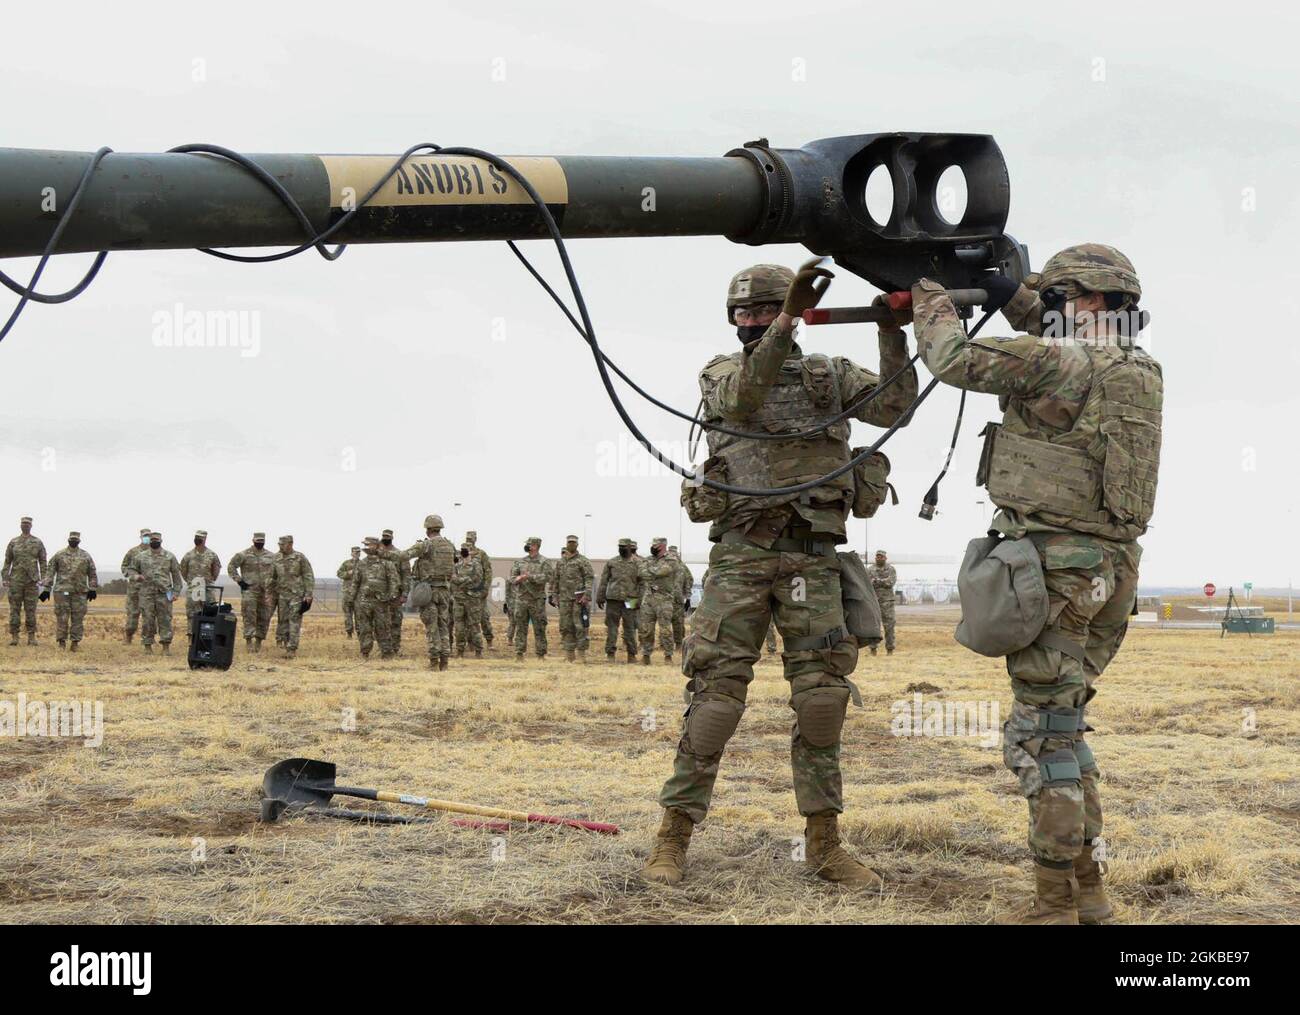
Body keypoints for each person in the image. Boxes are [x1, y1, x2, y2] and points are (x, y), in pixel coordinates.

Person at [643, 259, 917, 889]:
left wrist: (892, 329)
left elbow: (895, 407)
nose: (753, 320)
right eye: (746, 312)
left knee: (822, 702)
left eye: (765, 309)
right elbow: (746, 395)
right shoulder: (722, 374)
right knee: (715, 700)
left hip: (813, 559)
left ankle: (824, 847)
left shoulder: (829, 376)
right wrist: (788, 319)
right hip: (741, 558)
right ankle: (672, 839)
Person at [909, 243, 1159, 924]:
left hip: (1056, 569)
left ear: (1094, 302)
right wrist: (1011, 290)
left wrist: (927, 298)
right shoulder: (1135, 369)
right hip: (1109, 570)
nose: (1046, 311)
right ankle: (1091, 895)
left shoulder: (1056, 360)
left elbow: (952, 359)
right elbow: (1050, 348)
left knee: (1039, 741)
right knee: (1065, 731)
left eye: (1057, 300)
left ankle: (1053, 906)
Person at [404, 515, 455, 671]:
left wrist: (380, 552)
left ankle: (434, 662)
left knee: (432, 626)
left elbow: (404, 555)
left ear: (427, 529)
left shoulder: (426, 545)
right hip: (444, 591)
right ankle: (444, 662)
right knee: (443, 626)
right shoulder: (449, 545)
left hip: (429, 591)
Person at [127, 531, 183, 654]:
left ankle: (166, 647)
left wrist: (176, 592)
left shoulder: (169, 557)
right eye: (152, 540)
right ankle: (148, 646)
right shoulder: (140, 557)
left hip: (165, 593)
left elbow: (176, 577)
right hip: (146, 593)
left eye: (156, 540)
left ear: (161, 541)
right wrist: (136, 577)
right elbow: (130, 571)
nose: (154, 542)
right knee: (147, 620)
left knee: (165, 620)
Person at [43, 531, 98, 651]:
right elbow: (50, 572)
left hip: (80, 592)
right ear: (68, 540)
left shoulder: (86, 556)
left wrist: (93, 588)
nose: (73, 541)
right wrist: (47, 588)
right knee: (62, 617)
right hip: (62, 592)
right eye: (72, 539)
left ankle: (75, 643)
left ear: (79, 541)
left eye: (76, 539)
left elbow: (92, 573)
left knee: (78, 618)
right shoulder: (59, 555)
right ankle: (61, 643)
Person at [351, 537, 398, 659]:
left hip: (381, 602)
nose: (366, 547)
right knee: (364, 628)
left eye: (369, 544)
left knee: (382, 627)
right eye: (365, 545)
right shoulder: (361, 564)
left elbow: (393, 581)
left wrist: (392, 596)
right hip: (364, 601)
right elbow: (355, 582)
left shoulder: (386, 563)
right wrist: (352, 599)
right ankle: (365, 652)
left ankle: (386, 653)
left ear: (376, 546)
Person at [228, 532, 275, 653]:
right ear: (253, 540)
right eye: (257, 541)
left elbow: (277, 572)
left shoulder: (271, 556)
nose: (259, 543)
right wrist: (239, 581)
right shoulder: (243, 554)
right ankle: (249, 642)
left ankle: (258, 642)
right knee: (249, 616)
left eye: (261, 541)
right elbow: (231, 566)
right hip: (249, 591)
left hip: (265, 592)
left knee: (264, 617)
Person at [267, 535, 314, 657]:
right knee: (283, 621)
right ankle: (285, 642)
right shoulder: (276, 558)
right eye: (279, 544)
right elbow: (271, 577)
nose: (280, 546)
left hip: (296, 595)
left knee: (294, 620)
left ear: (290, 544)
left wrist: (308, 594)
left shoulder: (299, 557)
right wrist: (269, 593)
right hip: (282, 595)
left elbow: (308, 575)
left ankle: (292, 648)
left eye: (282, 544)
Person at [4, 516, 47, 646]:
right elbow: (7, 561)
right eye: (23, 524)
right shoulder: (13, 542)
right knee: (14, 609)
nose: (25, 526)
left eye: (27, 524)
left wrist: (44, 577)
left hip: (31, 582)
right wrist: (5, 578)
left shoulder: (37, 542)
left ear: (31, 526)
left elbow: (43, 561)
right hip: (15, 581)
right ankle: (15, 637)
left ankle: (31, 637)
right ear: (20, 526)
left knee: (31, 610)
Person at [596, 538, 640, 663]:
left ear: (629, 548)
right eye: (619, 546)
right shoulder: (612, 562)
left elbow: (642, 583)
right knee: (612, 628)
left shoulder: (638, 563)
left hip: (630, 599)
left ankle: (632, 655)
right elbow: (604, 581)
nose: (621, 549)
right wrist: (600, 596)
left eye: (623, 547)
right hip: (613, 600)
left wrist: (640, 600)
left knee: (630, 628)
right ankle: (610, 653)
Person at [509, 537, 553, 660]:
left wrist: (531, 577)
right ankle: (519, 653)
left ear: (536, 546)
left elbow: (548, 577)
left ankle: (540, 654)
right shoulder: (520, 562)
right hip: (522, 599)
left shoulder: (545, 562)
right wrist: (518, 579)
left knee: (539, 627)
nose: (528, 546)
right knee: (521, 627)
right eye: (527, 544)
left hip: (537, 600)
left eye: (530, 544)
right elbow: (512, 578)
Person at [554, 534, 594, 663]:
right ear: (566, 544)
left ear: (577, 545)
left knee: (580, 626)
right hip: (564, 599)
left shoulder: (583, 560)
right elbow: (556, 579)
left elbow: (589, 578)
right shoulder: (560, 562)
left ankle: (581, 655)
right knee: (566, 626)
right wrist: (555, 595)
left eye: (573, 543)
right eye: (569, 542)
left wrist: (586, 595)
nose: (571, 544)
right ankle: (569, 655)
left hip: (579, 599)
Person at [638, 537, 677, 665]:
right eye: (652, 545)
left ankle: (668, 656)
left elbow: (661, 572)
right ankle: (646, 655)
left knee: (665, 629)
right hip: (648, 598)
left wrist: (650, 570)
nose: (653, 547)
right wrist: (651, 571)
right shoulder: (648, 559)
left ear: (663, 546)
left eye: (656, 545)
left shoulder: (671, 559)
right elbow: (641, 573)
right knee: (646, 629)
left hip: (664, 599)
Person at [179, 530, 222, 626]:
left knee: (210, 613)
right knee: (192, 614)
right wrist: (191, 582)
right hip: (193, 589)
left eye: (200, 538)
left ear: (205, 539)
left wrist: (209, 581)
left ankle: (208, 636)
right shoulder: (188, 555)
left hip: (208, 589)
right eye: (196, 537)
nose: (197, 539)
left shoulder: (212, 555)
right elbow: (183, 570)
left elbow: (215, 571)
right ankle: (191, 636)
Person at [451, 542, 486, 658]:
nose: (463, 551)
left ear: (471, 551)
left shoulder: (476, 565)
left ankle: (478, 651)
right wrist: (463, 581)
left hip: (472, 600)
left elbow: (477, 580)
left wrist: (460, 580)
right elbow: (452, 579)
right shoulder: (457, 566)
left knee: (474, 626)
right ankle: (460, 651)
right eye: (462, 549)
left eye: (465, 549)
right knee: (459, 628)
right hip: (459, 600)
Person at [379, 529, 409, 655]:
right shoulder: (377, 554)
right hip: (379, 595)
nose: (385, 538)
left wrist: (404, 594)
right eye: (383, 536)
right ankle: (384, 649)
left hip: (395, 594)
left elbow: (406, 575)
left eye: (387, 536)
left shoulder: (399, 555)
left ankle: (395, 648)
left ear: (392, 538)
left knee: (395, 622)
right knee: (381, 622)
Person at [121, 527, 151, 644]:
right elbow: (124, 567)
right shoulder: (132, 552)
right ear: (141, 537)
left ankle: (147, 640)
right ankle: (128, 636)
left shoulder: (155, 552)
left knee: (148, 615)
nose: (147, 538)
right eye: (145, 536)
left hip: (149, 589)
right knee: (133, 614)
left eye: (148, 536)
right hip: (134, 589)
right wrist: (134, 576)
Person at [465, 530, 495, 647]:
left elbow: (488, 572)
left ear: (475, 539)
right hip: (465, 592)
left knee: (484, 617)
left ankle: (489, 641)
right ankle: (470, 643)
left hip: (479, 591)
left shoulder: (481, 554)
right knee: (467, 618)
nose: (469, 541)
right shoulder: (461, 552)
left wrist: (486, 588)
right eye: (468, 539)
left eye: (471, 539)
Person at [866, 550, 897, 655]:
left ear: (885, 558)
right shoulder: (870, 569)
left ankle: (890, 649)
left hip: (887, 602)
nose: (879, 558)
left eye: (881, 557)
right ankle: (873, 648)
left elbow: (890, 582)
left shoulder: (891, 569)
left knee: (889, 626)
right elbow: (868, 583)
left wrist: (877, 581)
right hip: (874, 601)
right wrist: (882, 581)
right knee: (874, 626)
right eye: (877, 557)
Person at [667, 545, 693, 652]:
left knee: (676, 623)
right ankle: (670, 644)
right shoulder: (667, 566)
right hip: (669, 598)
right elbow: (689, 581)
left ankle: (678, 644)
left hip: (675, 598)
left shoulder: (682, 567)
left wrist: (687, 597)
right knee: (667, 623)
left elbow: (689, 581)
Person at [337, 546, 361, 638]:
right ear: (351, 553)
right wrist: (347, 573)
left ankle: (359, 632)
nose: (357, 554)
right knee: (348, 614)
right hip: (347, 593)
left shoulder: (362, 564)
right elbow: (339, 573)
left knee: (359, 614)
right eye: (355, 552)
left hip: (358, 594)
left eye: (358, 552)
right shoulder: (346, 563)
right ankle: (349, 633)